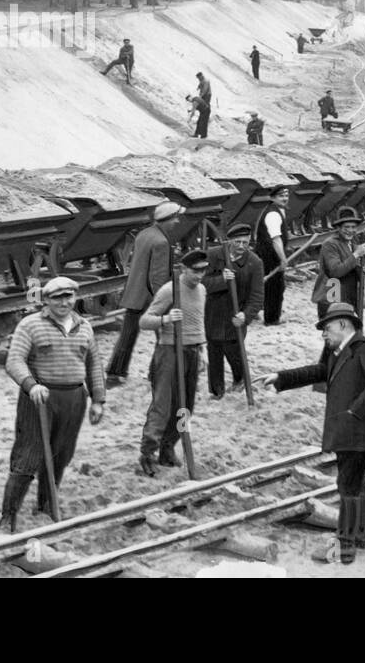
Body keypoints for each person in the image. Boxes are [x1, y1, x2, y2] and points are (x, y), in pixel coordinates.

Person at [265, 303, 365, 565]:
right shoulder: (337, 350)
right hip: (350, 432)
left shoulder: (364, 348)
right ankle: (358, 537)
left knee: (347, 486)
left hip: (359, 433)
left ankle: (345, 547)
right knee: (355, 485)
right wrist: (282, 378)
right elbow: (320, 371)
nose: (323, 333)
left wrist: (354, 411)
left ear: (344, 325)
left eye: (327, 328)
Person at [0, 277, 106, 533]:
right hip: (40, 398)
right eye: (57, 298)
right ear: (45, 300)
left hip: (74, 399)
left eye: (68, 297)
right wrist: (31, 385)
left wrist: (98, 400)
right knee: (28, 455)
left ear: (75, 298)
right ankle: (8, 515)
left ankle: (46, 505)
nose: (64, 303)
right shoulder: (31, 325)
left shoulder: (85, 326)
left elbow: (94, 364)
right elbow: (14, 361)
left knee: (61, 455)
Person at [138, 249, 209, 475]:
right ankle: (148, 452)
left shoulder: (202, 290)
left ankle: (168, 447)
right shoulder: (170, 291)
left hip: (192, 351)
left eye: (203, 271)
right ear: (183, 269)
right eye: (194, 271)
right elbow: (144, 321)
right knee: (162, 405)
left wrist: (203, 349)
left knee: (186, 407)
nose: (199, 276)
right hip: (169, 351)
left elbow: (199, 321)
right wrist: (166, 319)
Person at [106, 201, 184, 385]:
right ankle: (155, 374)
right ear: (167, 219)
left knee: (127, 336)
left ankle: (114, 373)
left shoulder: (144, 234)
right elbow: (157, 277)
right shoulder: (161, 242)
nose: (177, 222)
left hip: (134, 294)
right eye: (175, 218)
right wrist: (164, 303)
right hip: (150, 297)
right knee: (164, 336)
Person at [203, 224, 264, 399]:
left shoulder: (254, 263)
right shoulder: (213, 255)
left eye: (245, 242)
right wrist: (221, 280)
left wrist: (246, 315)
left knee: (234, 351)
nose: (241, 246)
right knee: (214, 353)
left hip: (236, 317)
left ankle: (240, 378)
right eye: (237, 242)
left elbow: (257, 296)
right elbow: (201, 283)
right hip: (213, 314)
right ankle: (216, 391)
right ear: (229, 241)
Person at [312, 206, 365, 323]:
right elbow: (335, 271)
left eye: (353, 227)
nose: (350, 230)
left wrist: (361, 268)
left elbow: (351, 268)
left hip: (347, 297)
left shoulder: (352, 243)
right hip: (332, 298)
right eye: (346, 227)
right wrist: (355, 255)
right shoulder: (330, 244)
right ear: (338, 228)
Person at [256, 185, 290, 325]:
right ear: (272, 198)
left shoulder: (277, 211)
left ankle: (270, 315)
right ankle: (271, 319)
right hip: (269, 255)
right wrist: (283, 259)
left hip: (270, 253)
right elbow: (276, 239)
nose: (285, 198)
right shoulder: (273, 214)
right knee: (274, 287)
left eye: (286, 195)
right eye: (281, 196)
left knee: (274, 285)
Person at [192, 72, 212, 139]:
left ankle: (202, 135)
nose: (198, 79)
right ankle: (198, 134)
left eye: (199, 78)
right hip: (204, 98)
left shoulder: (206, 81)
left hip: (206, 97)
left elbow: (205, 90)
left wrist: (200, 96)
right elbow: (200, 86)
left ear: (201, 76)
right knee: (201, 119)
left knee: (203, 118)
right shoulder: (202, 81)